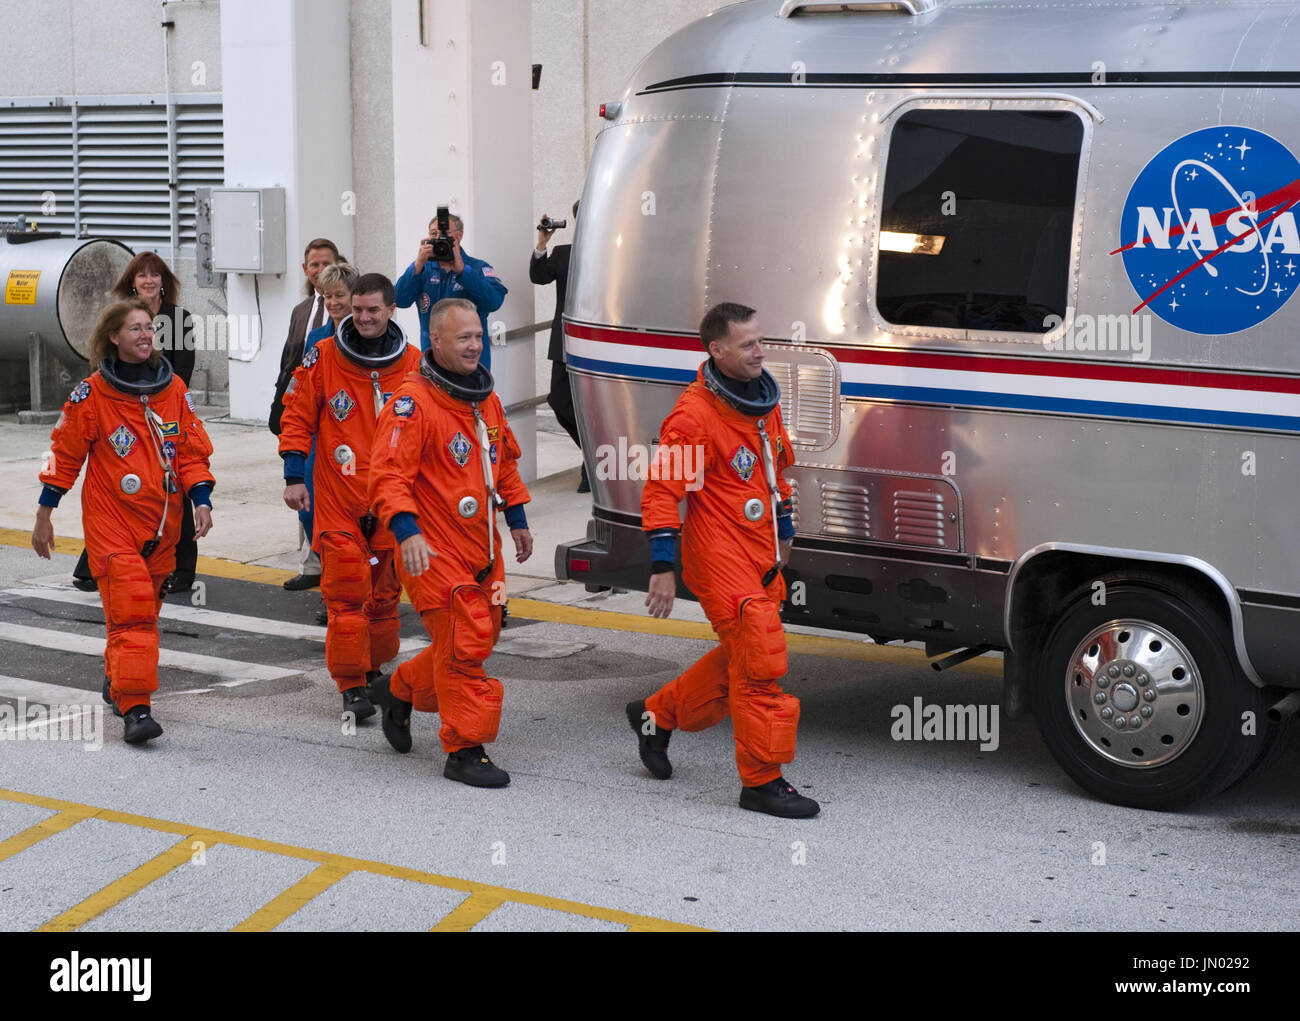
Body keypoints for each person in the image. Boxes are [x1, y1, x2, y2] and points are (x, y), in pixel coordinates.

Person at [627, 302, 818, 818]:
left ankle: (657, 714)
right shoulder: (694, 417)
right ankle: (761, 780)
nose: (761, 351)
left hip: (760, 555)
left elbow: (775, 473)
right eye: (748, 344)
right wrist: (662, 567)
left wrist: (784, 534)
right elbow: (663, 491)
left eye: (761, 341)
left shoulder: (761, 402)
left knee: (742, 656)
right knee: (761, 662)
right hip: (718, 557)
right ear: (717, 350)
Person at [33, 299, 215, 745]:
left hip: (162, 526)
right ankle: (136, 710)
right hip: (112, 523)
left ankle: (118, 681)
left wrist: (202, 500)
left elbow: (191, 451)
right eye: (134, 328)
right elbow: (65, 455)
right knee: (133, 613)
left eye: (148, 327)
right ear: (113, 336)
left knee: (138, 618)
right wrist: (44, 514)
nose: (144, 334)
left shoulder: (171, 390)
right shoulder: (92, 395)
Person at [369, 297, 533, 788]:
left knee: (483, 632)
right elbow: (387, 476)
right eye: (464, 338)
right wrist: (406, 531)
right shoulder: (411, 403)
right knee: (465, 639)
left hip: (483, 549)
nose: (474, 345)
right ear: (435, 340)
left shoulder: (485, 399)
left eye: (478, 337)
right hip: (430, 550)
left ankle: (398, 691)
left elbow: (503, 462)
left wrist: (518, 517)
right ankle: (464, 750)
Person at [278, 273, 421, 721]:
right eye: (357, 309)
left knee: (382, 601)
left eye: (372, 310)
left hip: (391, 505)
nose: (363, 318)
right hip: (339, 500)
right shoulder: (323, 358)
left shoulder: (415, 365)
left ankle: (374, 669)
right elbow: (296, 417)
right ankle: (351, 686)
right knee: (345, 597)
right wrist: (293, 476)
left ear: (391, 309)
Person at [70, 252, 199, 593]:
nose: (148, 281)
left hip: (166, 413)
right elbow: (104, 364)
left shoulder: (179, 318)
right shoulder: (121, 316)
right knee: (121, 487)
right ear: (132, 282)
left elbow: (183, 369)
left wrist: (163, 402)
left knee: (173, 486)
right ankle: (97, 562)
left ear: (163, 281)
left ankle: (182, 568)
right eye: (141, 276)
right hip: (123, 416)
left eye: (154, 275)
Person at [289, 261, 361, 622]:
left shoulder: (372, 338)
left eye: (340, 296)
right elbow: (303, 389)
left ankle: (349, 597)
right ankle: (335, 592)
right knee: (313, 514)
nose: (333, 302)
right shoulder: (318, 338)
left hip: (354, 444)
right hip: (319, 441)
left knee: (351, 523)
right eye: (328, 296)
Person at [271, 237, 342, 592]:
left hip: (340, 426)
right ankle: (314, 565)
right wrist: (278, 407)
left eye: (326, 264)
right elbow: (291, 364)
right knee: (307, 498)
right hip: (307, 417)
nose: (320, 271)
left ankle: (339, 576)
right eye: (314, 265)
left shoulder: (354, 310)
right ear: (306, 270)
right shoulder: (302, 312)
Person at [394, 213, 507, 368]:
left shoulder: (477, 268)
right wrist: (417, 265)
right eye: (434, 234)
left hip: (471, 362)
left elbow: (494, 302)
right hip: (433, 361)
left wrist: (463, 272)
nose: (439, 238)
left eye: (445, 233)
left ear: (459, 236)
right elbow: (399, 300)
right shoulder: (423, 269)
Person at [530, 201, 588, 493]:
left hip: (601, 344)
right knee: (559, 401)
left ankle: (596, 466)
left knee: (595, 406)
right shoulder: (564, 253)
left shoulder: (617, 252)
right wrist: (543, 242)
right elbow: (538, 276)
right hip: (566, 342)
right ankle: (593, 456)